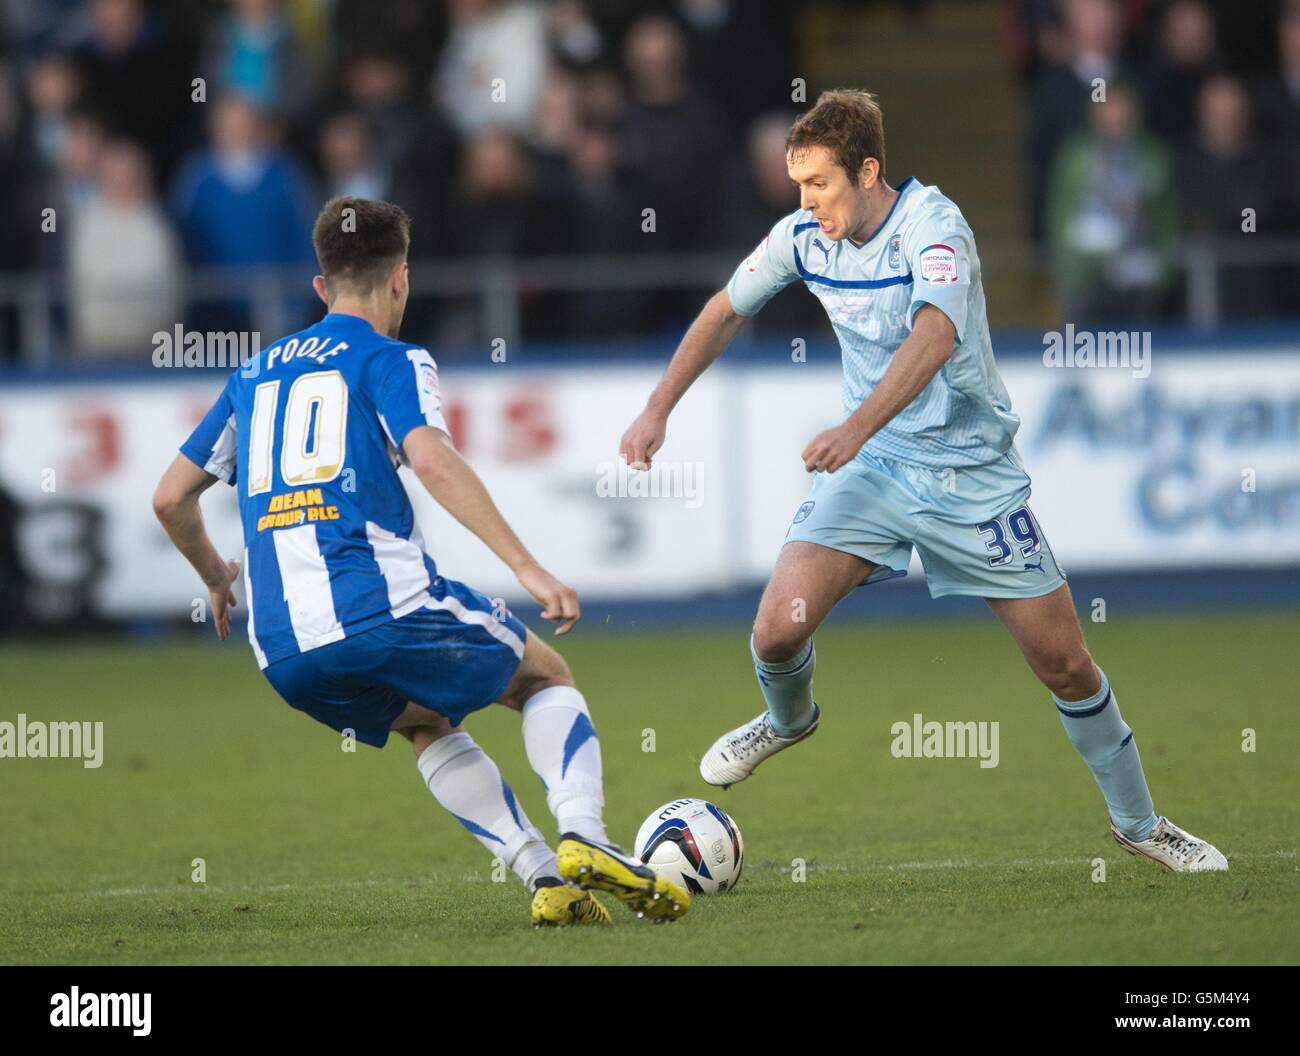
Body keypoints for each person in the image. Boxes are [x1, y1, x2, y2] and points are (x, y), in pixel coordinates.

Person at [619, 90, 1227, 873]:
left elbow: (935, 336)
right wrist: (656, 409)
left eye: (820, 185)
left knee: (1067, 664)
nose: (805, 202)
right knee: (776, 628)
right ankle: (788, 720)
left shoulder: (934, 228)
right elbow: (724, 310)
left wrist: (853, 426)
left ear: (868, 170)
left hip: (968, 475)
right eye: (798, 184)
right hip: (873, 472)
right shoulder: (804, 236)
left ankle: (1140, 825)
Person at [153, 196, 690, 925]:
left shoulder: (253, 376)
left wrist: (216, 576)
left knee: (425, 723)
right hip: (378, 605)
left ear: (320, 286)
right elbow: (432, 462)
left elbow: (170, 498)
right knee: (541, 676)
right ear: (401, 278)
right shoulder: (392, 359)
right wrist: (529, 569)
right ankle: (586, 838)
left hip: (282, 646)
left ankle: (544, 880)